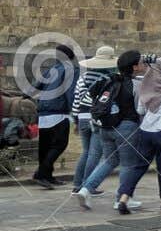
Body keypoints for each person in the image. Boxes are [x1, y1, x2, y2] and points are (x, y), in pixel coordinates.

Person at [75, 50, 146, 210]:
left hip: (105, 126)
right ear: (134, 67)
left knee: (110, 160)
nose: (143, 65)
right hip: (127, 127)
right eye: (141, 62)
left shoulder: (108, 80)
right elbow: (140, 109)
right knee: (128, 164)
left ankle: (86, 189)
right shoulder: (136, 84)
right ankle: (121, 199)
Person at [115, 57, 161, 216]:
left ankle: (124, 198)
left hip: (146, 131)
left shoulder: (145, 85)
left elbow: (140, 110)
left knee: (139, 166)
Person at [70, 45, 118, 195]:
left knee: (85, 152)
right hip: (96, 118)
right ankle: (87, 186)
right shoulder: (108, 79)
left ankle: (77, 185)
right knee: (94, 154)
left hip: (82, 117)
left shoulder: (82, 78)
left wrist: (76, 120)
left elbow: (76, 100)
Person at [30, 44, 77, 189]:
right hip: (58, 111)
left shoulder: (51, 69)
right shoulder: (70, 70)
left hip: (43, 110)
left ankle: (47, 176)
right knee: (60, 144)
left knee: (45, 146)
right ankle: (41, 174)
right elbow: (70, 92)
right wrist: (74, 112)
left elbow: (36, 86)